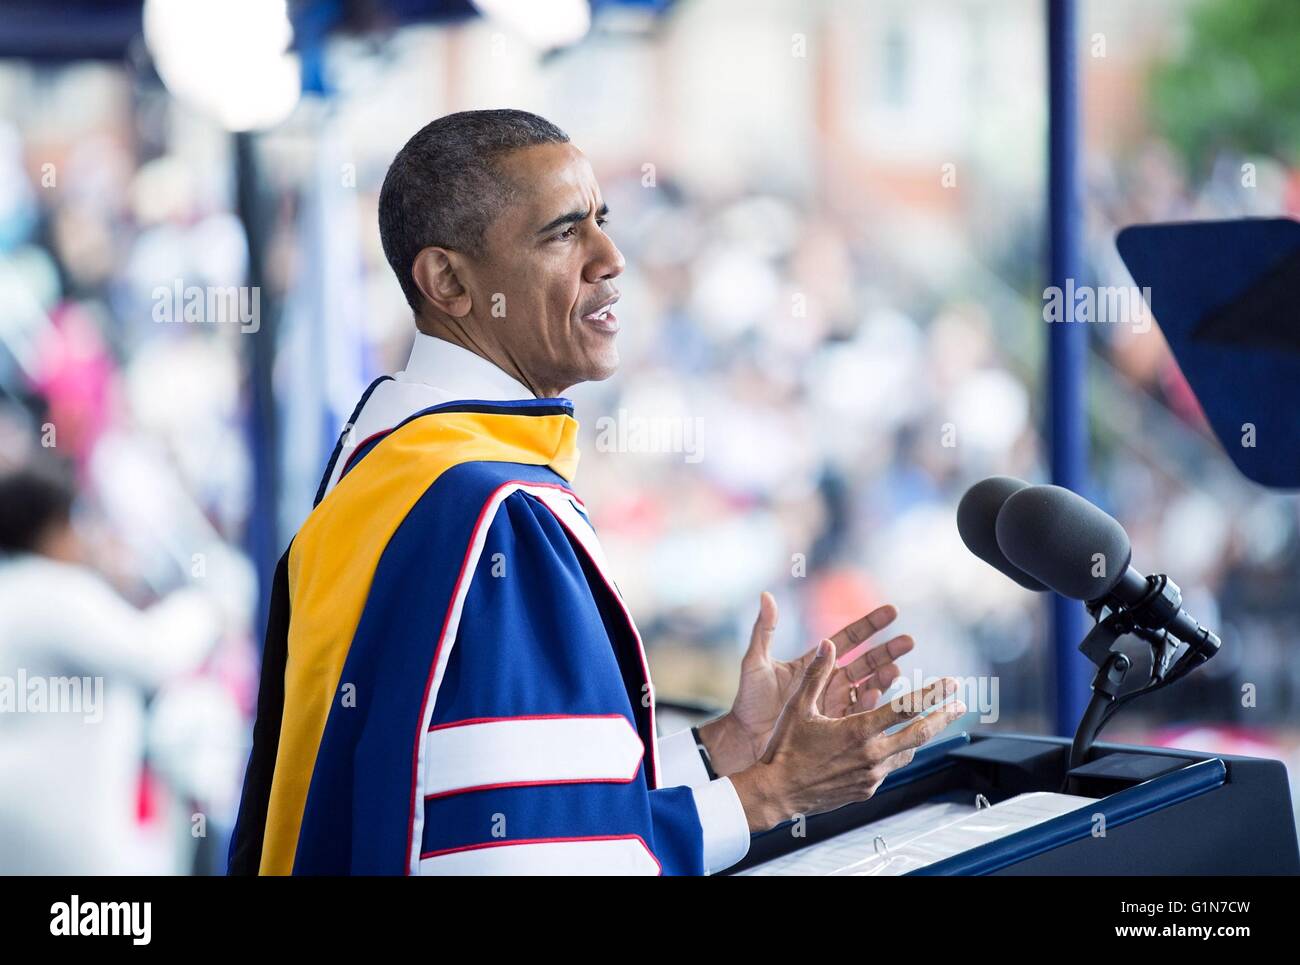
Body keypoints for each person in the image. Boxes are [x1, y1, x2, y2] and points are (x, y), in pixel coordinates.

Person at [228, 109, 965, 876]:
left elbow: (505, 796)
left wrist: (731, 746)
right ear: (448, 280)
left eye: (602, 222)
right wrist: (771, 793)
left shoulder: (389, 472)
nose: (611, 257)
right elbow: (531, 858)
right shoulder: (494, 517)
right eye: (562, 233)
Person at [0, 462, 220, 873]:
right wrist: (208, 606)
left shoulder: (12, 589)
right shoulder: (52, 589)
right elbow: (154, 654)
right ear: (52, 529)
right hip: (52, 819)